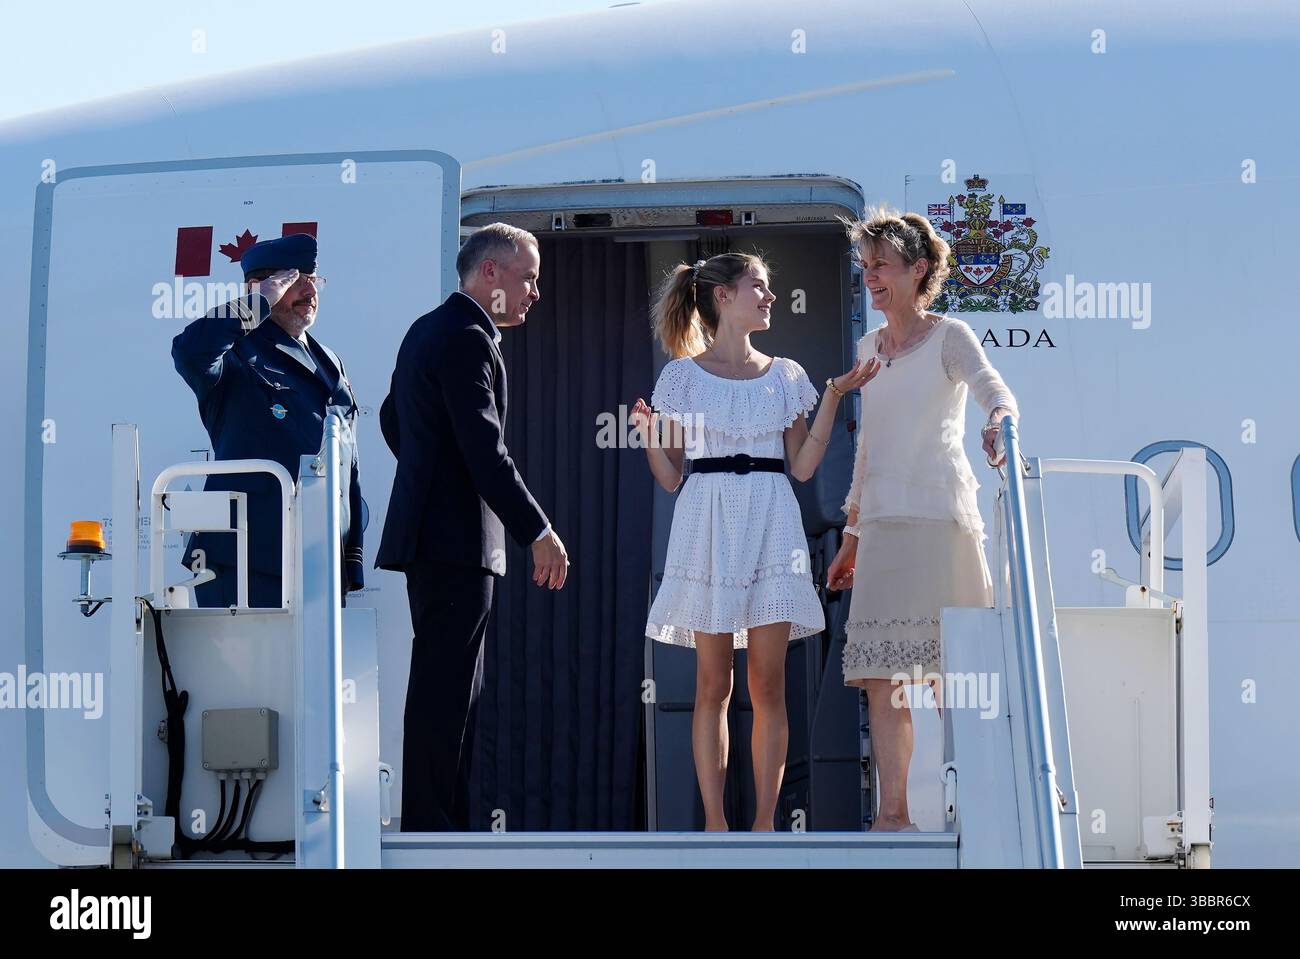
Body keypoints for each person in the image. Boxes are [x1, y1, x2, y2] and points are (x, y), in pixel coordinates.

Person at [630, 253, 876, 832]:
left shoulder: (788, 375)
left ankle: (765, 824)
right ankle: (716, 823)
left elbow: (805, 466)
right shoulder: (680, 376)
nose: (769, 297)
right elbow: (670, 477)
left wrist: (835, 396)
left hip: (771, 519)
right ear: (722, 297)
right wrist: (645, 436)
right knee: (713, 683)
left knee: (769, 683)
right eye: (759, 287)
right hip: (706, 522)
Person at [826, 206, 1020, 831]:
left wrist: (997, 420)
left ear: (918, 269)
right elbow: (867, 449)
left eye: (881, 265)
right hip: (882, 530)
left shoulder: (950, 336)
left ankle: (978, 813)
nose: (871, 277)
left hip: (941, 523)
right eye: (865, 267)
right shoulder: (866, 347)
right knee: (885, 678)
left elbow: (995, 389)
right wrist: (851, 535)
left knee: (950, 676)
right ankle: (895, 817)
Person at [376, 222, 569, 832]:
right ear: (491, 273)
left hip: (440, 540)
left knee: (451, 692)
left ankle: (442, 828)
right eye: (528, 278)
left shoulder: (429, 329)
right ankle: (432, 833)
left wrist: (427, 475)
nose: (535, 292)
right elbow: (485, 450)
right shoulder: (465, 336)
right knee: (445, 695)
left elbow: (393, 422)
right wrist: (537, 530)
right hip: (454, 544)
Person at [171, 233, 364, 608]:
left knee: (314, 669)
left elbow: (347, 464)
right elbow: (189, 352)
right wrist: (256, 304)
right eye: (295, 280)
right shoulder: (237, 350)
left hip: (319, 559)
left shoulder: (329, 361)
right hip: (247, 557)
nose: (309, 290)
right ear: (261, 287)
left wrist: (349, 558)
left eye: (313, 279)